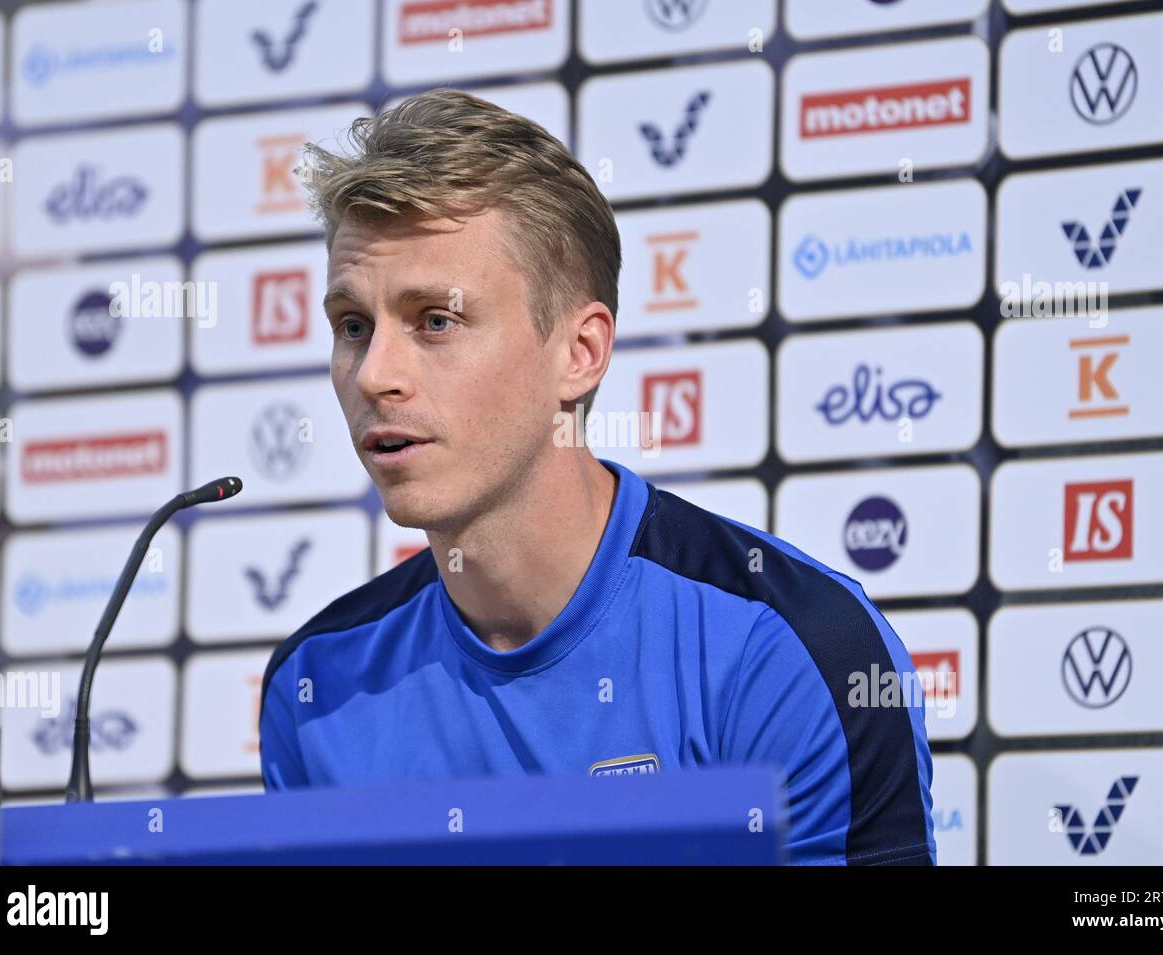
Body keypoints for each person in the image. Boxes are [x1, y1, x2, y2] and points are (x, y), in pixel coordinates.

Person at [259, 89, 935, 865]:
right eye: (353, 326)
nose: (376, 373)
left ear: (579, 353)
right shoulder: (317, 687)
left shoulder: (794, 648)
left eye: (435, 321)